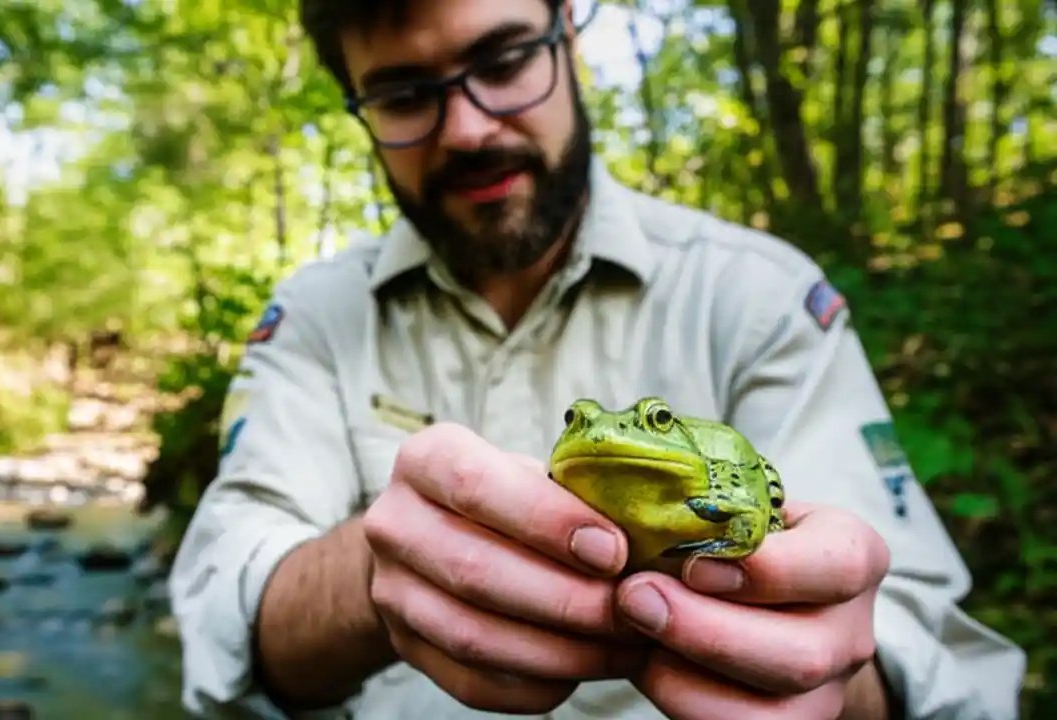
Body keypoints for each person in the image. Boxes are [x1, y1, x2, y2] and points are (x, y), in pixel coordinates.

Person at [167, 0, 1028, 717]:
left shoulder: (755, 294)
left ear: (567, 38)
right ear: (357, 106)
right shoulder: (315, 313)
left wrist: (834, 677)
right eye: (402, 95)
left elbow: (934, 654)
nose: (467, 128)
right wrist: (367, 575)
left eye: (503, 61)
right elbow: (222, 611)